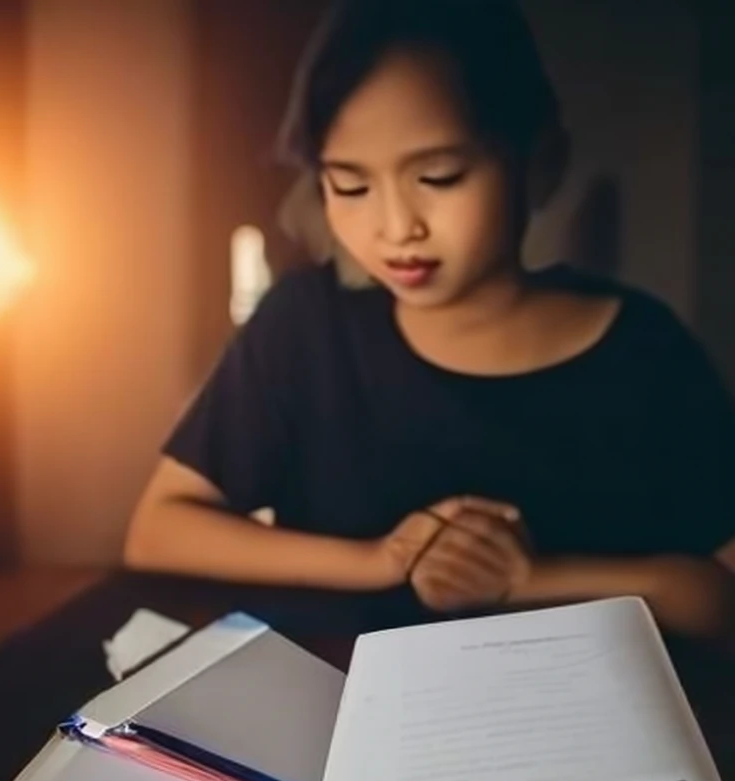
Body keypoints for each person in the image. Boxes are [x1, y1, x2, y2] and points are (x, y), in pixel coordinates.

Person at [124, 0, 735, 644]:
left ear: (539, 163)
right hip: (333, 718)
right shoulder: (306, 327)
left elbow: (721, 597)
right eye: (351, 187)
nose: (396, 228)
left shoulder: (642, 350)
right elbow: (159, 529)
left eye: (438, 177)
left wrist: (528, 578)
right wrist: (382, 558)